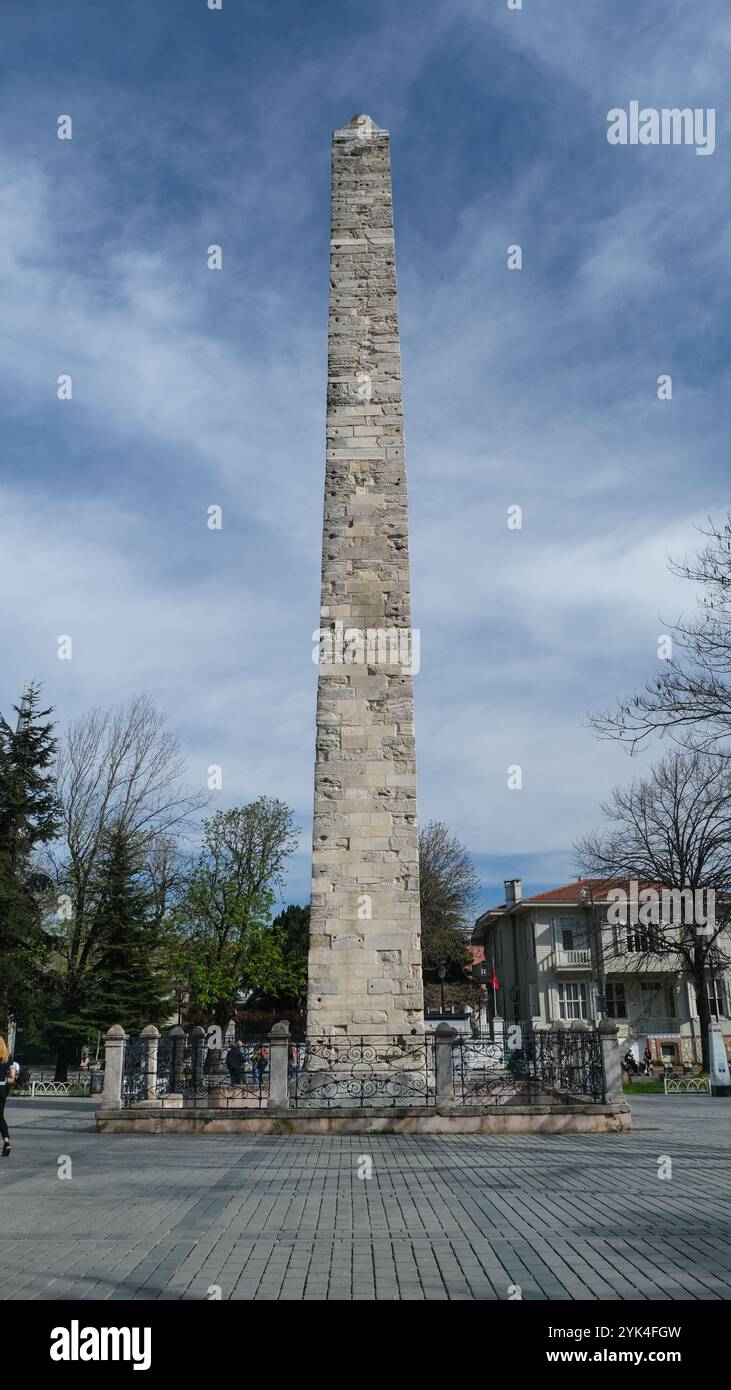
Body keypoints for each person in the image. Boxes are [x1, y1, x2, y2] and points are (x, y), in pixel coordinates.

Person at [0, 1036, 14, 1157]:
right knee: (0, 1116)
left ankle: (6, 1141)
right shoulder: (7, 1057)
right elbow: (12, 1075)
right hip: (2, 1089)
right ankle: (6, 1141)